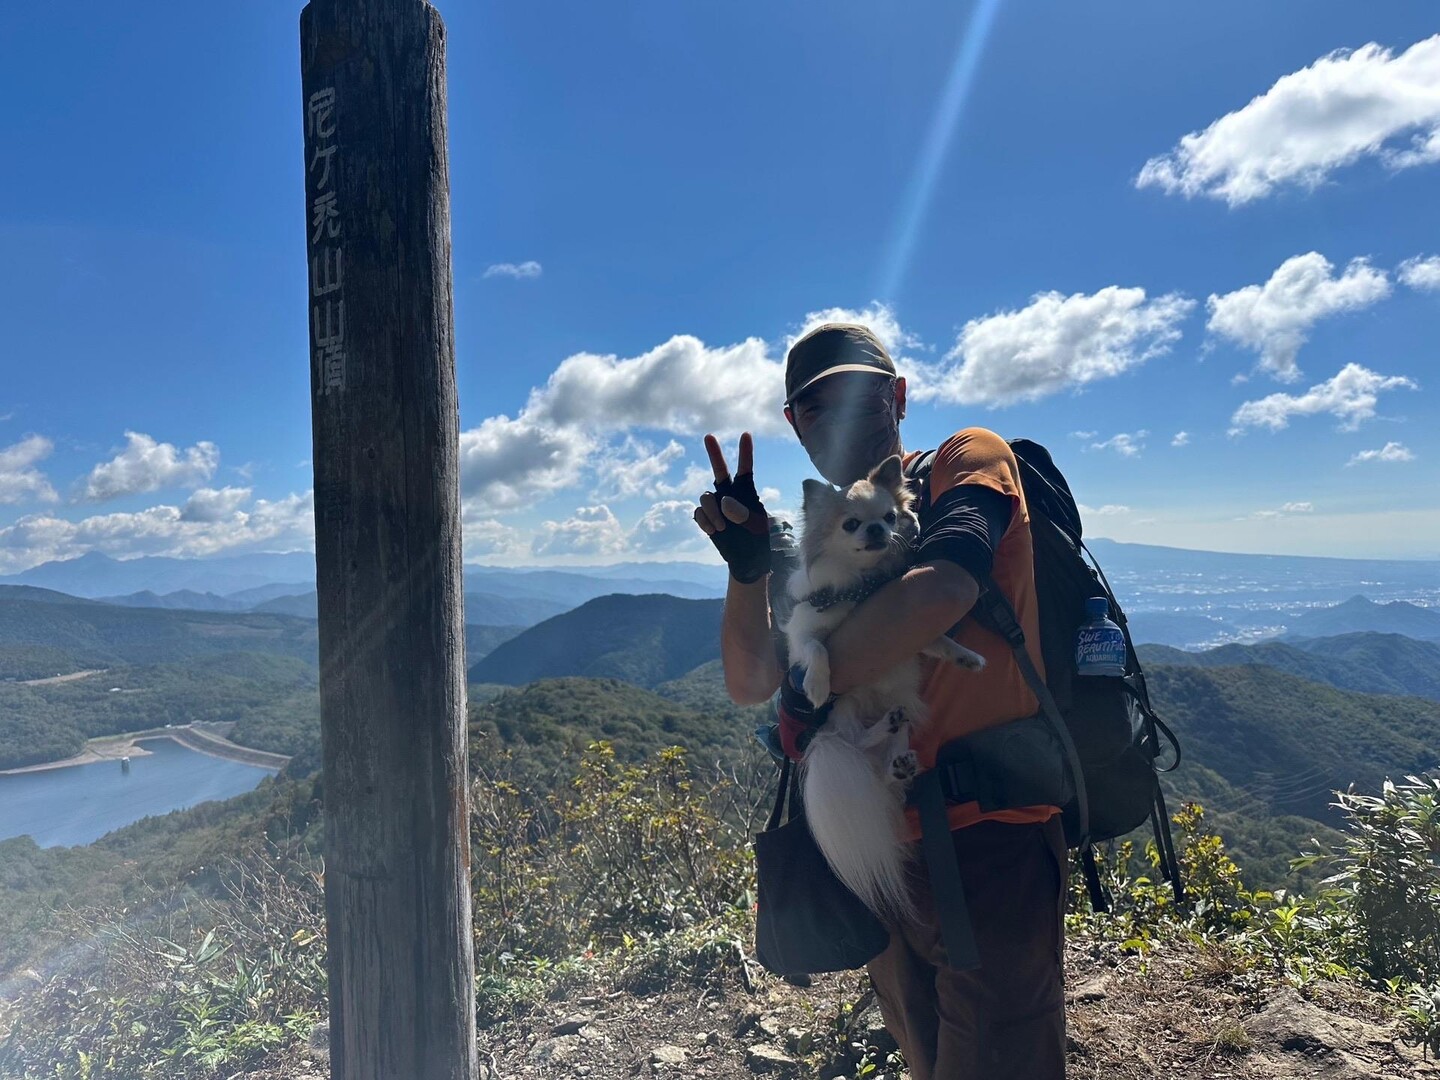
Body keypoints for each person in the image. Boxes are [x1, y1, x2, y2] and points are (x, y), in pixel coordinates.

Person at [692, 323, 1067, 1080]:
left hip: (990, 834)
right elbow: (749, 680)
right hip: (878, 842)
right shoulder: (823, 537)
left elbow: (943, 589)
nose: (839, 416)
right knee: (926, 1056)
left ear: (898, 395)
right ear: (795, 422)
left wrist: (810, 691)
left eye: (860, 395)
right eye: (816, 405)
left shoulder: (968, 459)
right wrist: (748, 564)